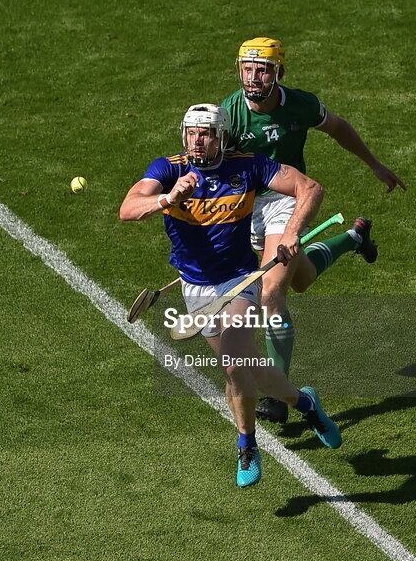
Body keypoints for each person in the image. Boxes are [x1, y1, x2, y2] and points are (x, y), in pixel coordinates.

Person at [119, 103, 342, 487]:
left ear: (222, 137)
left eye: (205, 134)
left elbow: (310, 188)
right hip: (194, 287)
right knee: (249, 369)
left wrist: (291, 232)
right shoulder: (168, 169)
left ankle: (247, 444)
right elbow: (127, 209)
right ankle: (305, 403)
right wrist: (168, 199)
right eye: (191, 132)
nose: (197, 141)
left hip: (240, 279)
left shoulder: (247, 166)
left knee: (236, 365)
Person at [220, 37, 407, 424]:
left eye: (263, 70)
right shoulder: (230, 114)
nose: (254, 78)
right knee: (301, 278)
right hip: (250, 206)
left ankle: (277, 391)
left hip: (291, 199)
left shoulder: (300, 104)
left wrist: (373, 163)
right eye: (248, 68)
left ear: (279, 72)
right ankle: (354, 238)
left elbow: (338, 128)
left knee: (271, 292)